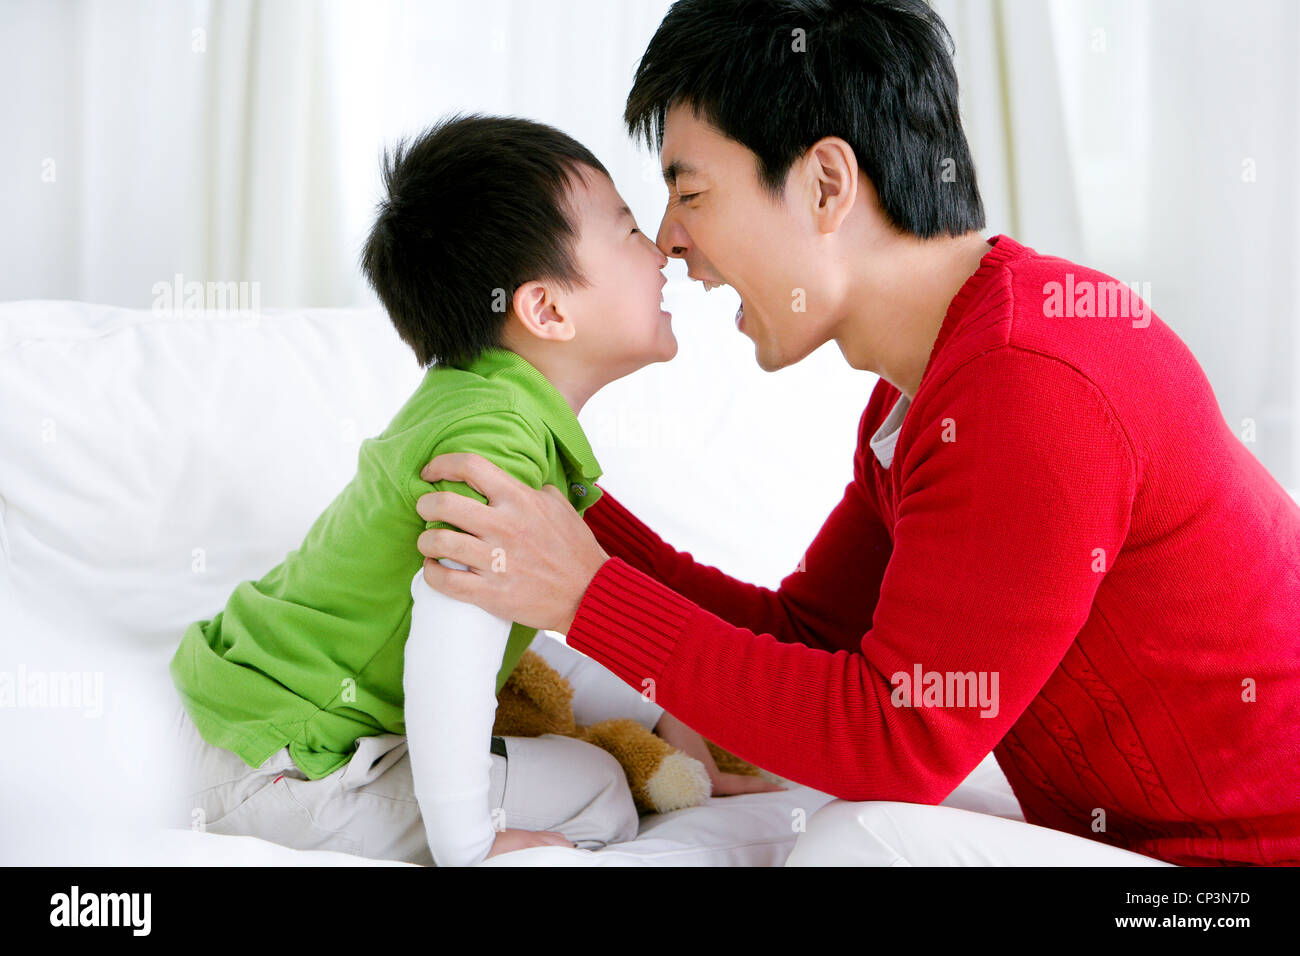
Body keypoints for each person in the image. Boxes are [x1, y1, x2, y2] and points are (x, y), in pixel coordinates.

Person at [411, 0, 1300, 865]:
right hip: (1147, 843)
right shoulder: (931, 386)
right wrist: (566, 510)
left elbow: (897, 740)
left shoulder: (1031, 385)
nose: (671, 241)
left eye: (690, 190)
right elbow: (810, 635)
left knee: (857, 843)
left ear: (826, 184)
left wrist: (588, 599)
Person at [168, 113, 772, 867]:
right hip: (290, 769)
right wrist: (470, 843)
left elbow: (532, 645)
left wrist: (661, 708)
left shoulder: (476, 401)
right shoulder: (495, 447)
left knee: (548, 692)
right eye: (625, 231)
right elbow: (453, 652)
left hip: (242, 715)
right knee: (599, 789)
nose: (660, 251)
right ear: (546, 310)